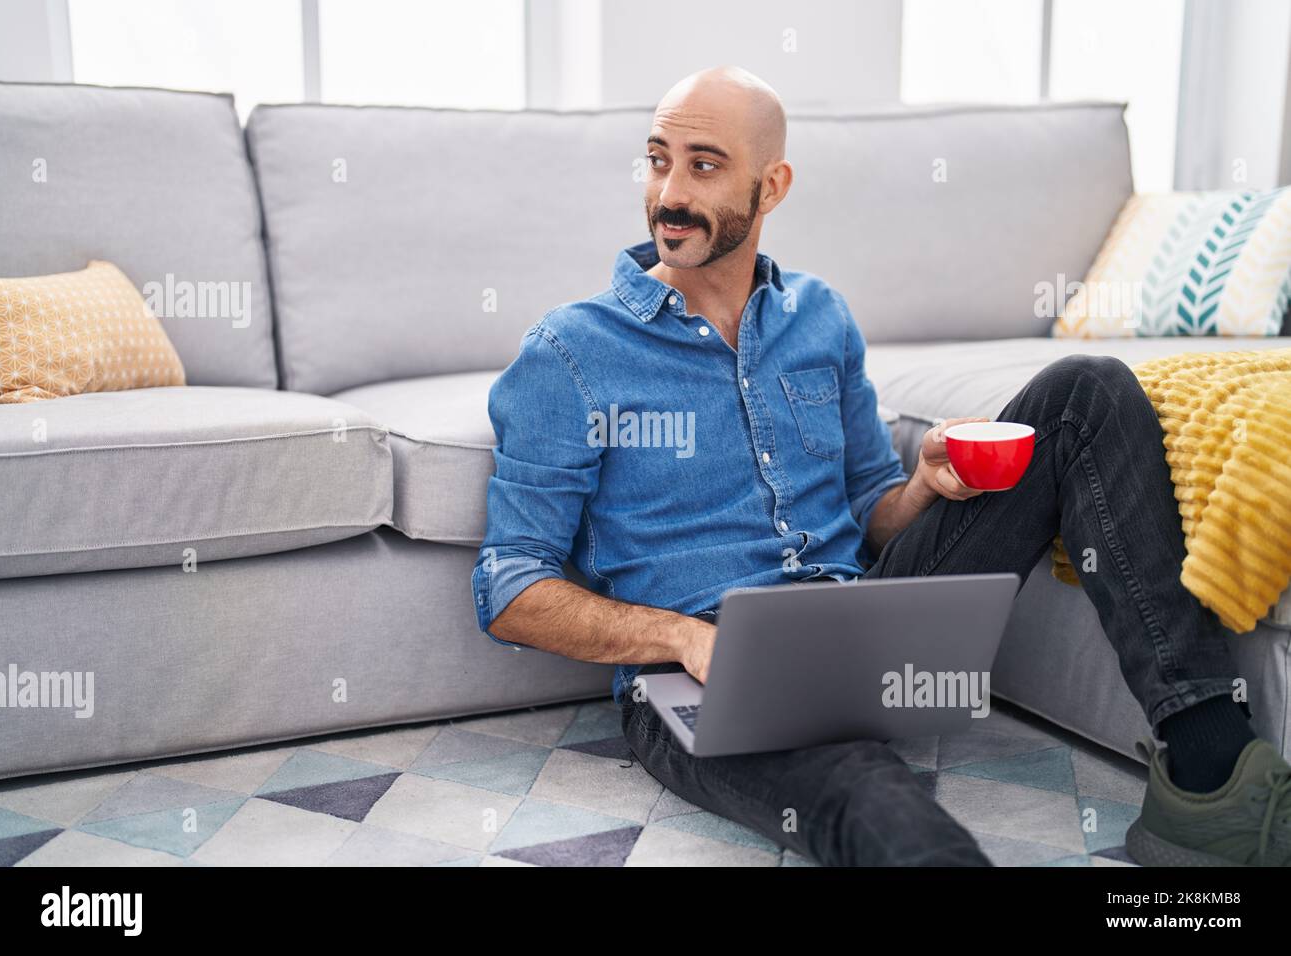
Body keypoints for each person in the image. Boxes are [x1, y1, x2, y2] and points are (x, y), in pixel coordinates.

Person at [471, 65, 1291, 867]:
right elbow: (511, 588)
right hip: (702, 675)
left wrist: (926, 485)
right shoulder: (571, 353)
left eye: (705, 165)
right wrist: (684, 638)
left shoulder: (816, 317)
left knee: (1088, 390)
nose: (670, 193)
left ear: (773, 185)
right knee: (870, 794)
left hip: (866, 626)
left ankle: (1210, 768)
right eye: (658, 160)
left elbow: (872, 509)